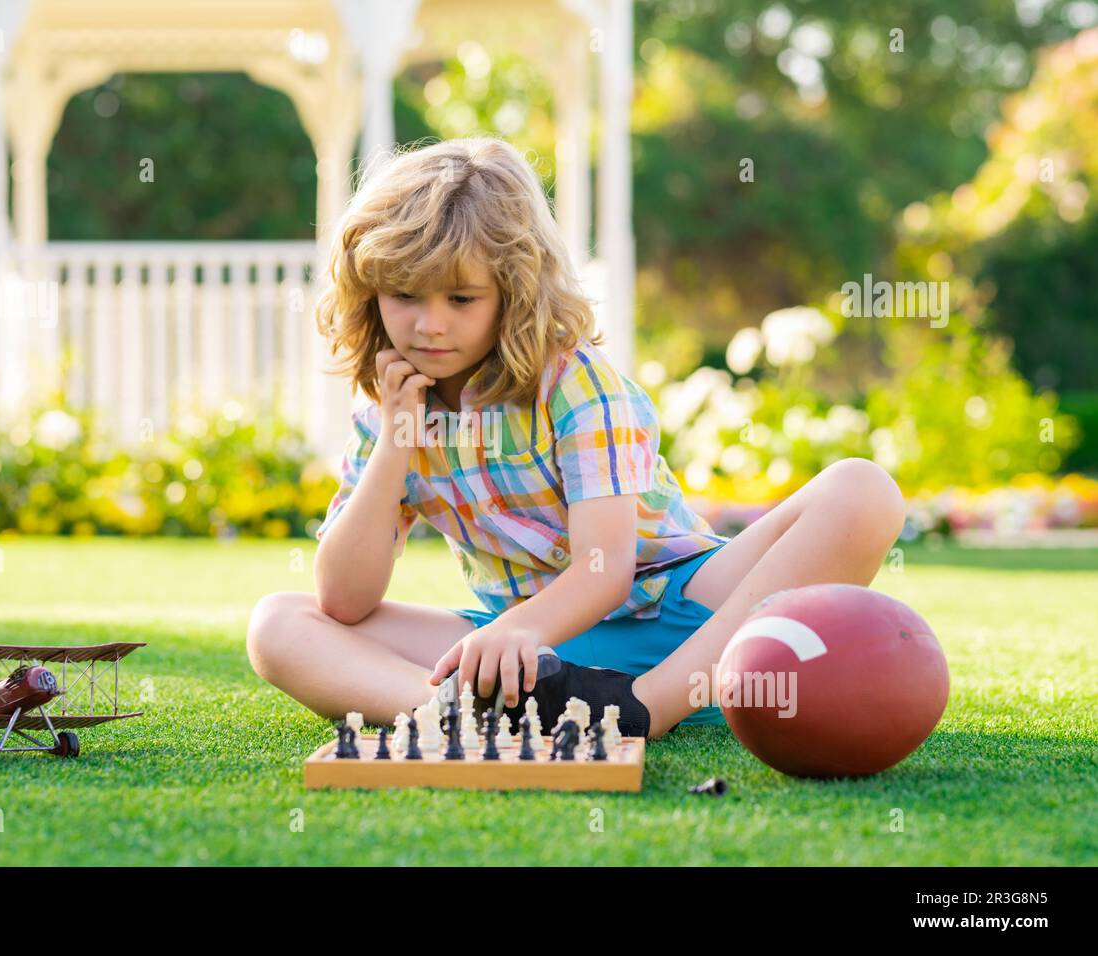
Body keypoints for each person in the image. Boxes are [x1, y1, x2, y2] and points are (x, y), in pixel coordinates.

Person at [247, 137, 906, 740]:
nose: (428, 325)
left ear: (514, 292)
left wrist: (518, 632)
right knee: (279, 624)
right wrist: (396, 443)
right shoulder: (388, 408)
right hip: (536, 655)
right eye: (404, 295)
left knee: (862, 490)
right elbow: (345, 600)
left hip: (684, 614)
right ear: (371, 292)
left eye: (461, 299)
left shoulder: (573, 382)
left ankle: (646, 708)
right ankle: (459, 718)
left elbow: (606, 571)